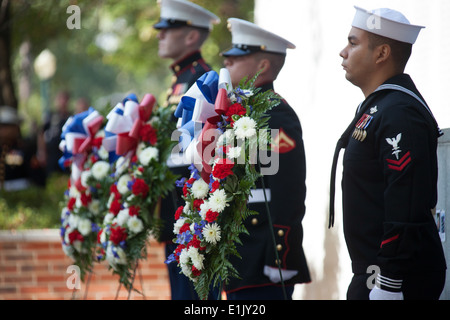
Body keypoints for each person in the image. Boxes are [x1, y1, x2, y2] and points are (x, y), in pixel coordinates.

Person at [329, 6, 446, 300]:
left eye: (353, 43)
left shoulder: (399, 113)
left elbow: (406, 202)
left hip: (395, 279)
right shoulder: (381, 107)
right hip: (373, 274)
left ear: (381, 54)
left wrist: (390, 281)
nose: (343, 52)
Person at [221, 18, 311, 300]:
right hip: (239, 254)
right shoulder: (241, 112)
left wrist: (279, 255)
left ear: (262, 66)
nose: (227, 62)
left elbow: (289, 188)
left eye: (238, 57)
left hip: (262, 257)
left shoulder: (275, 114)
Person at [153, 0, 220, 300]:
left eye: (167, 30)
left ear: (192, 36)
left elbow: (199, 153)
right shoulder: (180, 79)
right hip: (177, 213)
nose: (159, 35)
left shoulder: (200, 79)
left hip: (194, 219)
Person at [0, 106, 46, 191]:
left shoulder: (25, 149)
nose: (2, 130)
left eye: (6, 126)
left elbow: (39, 178)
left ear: (16, 128)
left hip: (21, 194)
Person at [42, 90, 71, 175]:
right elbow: (41, 133)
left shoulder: (71, 116)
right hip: (52, 152)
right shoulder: (50, 116)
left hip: (66, 152)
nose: (62, 102)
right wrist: (42, 152)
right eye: (60, 99)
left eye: (65, 99)